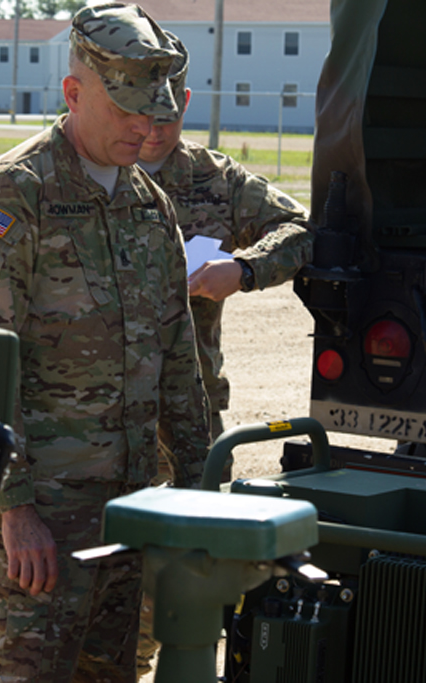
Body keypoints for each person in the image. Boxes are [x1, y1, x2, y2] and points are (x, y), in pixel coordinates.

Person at [0, 4, 209, 682]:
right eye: (126, 112)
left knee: (112, 674)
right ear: (73, 93)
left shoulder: (150, 206)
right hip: (40, 529)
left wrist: (207, 493)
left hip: (130, 515)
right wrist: (16, 509)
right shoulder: (13, 199)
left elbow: (180, 363)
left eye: (155, 112)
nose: (145, 128)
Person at [131, 33, 314, 676]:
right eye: (141, 112)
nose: (154, 128)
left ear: (184, 101)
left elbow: (300, 229)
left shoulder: (215, 179)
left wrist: (243, 269)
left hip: (185, 412)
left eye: (168, 113)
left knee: (180, 571)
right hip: (92, 412)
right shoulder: (92, 172)